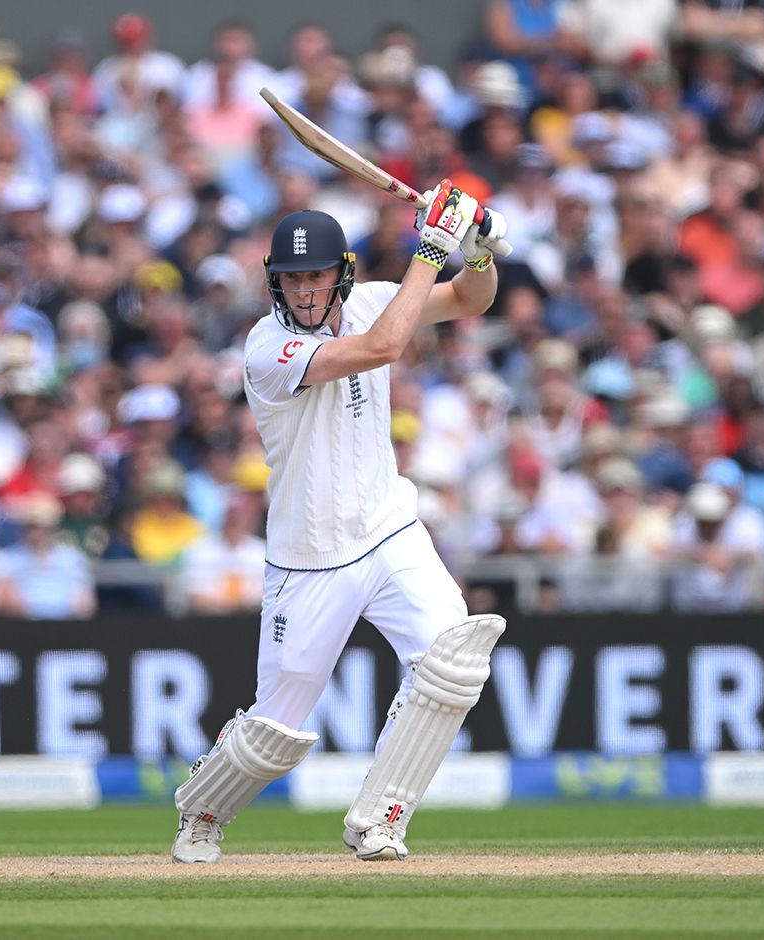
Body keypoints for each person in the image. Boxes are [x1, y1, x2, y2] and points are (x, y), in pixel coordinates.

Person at [171, 182, 510, 864]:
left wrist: (477, 256)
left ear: (341, 274)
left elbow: (471, 301)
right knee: (276, 730)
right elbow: (384, 348)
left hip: (389, 531)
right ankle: (202, 811)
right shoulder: (266, 350)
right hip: (308, 558)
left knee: (454, 658)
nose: (303, 291)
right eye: (291, 279)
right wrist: (431, 247)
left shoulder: (375, 298)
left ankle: (380, 818)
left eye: (316, 276)